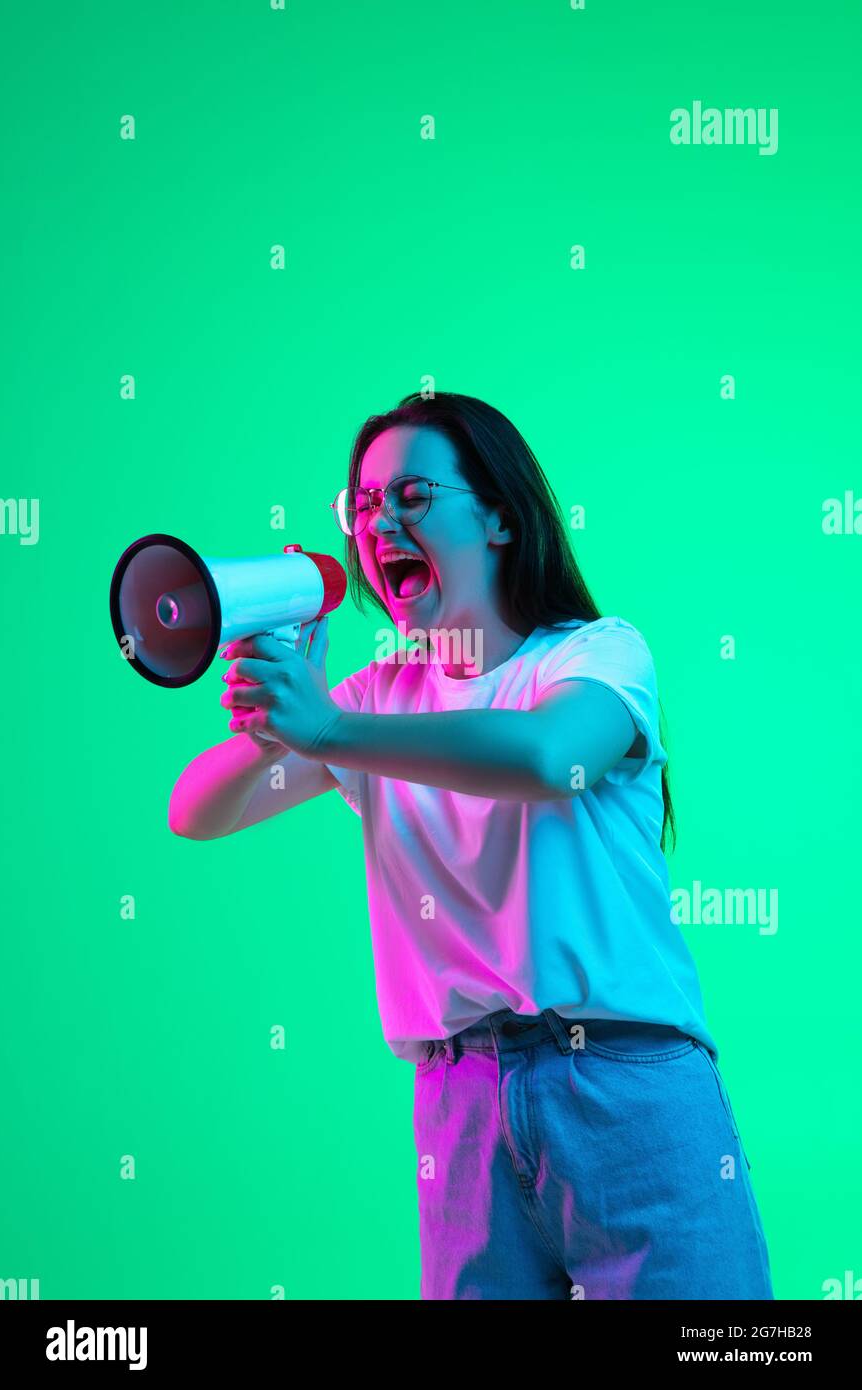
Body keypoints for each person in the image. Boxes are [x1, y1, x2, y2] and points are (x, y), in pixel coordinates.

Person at [169, 391, 774, 1301]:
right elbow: (196, 812)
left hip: (624, 1088)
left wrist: (325, 728)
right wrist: (270, 735)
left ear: (497, 515)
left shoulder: (597, 657)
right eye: (364, 507)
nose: (381, 525)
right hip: (458, 1112)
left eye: (412, 497)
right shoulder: (374, 705)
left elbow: (546, 757)